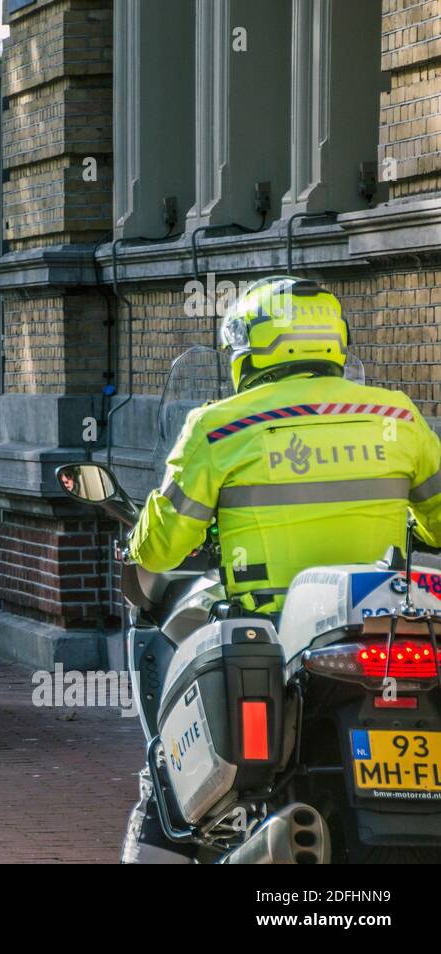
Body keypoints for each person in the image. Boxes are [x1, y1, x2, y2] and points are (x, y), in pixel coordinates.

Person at [121, 274, 441, 862]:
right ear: (335, 343)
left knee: (166, 770)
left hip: (272, 637)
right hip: (385, 628)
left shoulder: (220, 427)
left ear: (248, 347)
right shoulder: (398, 417)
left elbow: (162, 550)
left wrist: (136, 544)